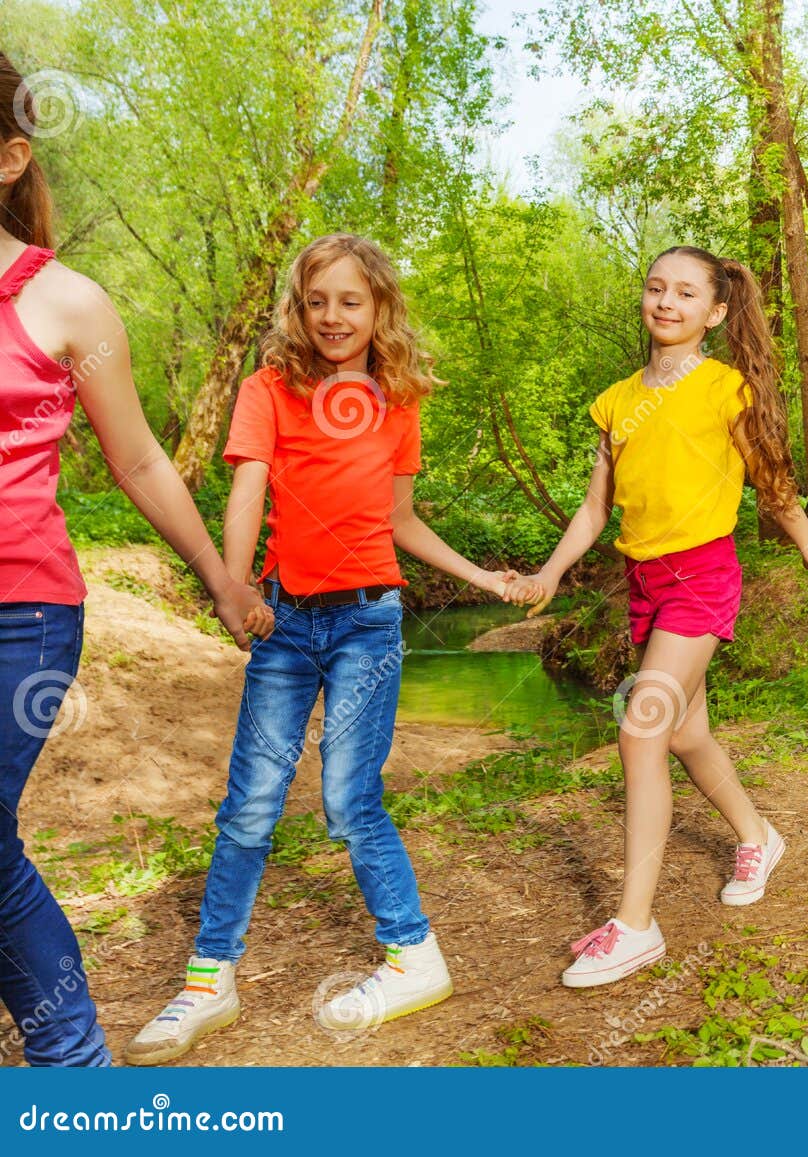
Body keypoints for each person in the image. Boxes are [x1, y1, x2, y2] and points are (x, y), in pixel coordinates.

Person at [127, 234, 519, 1063]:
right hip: (286, 622)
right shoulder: (269, 389)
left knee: (348, 797)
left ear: (379, 307)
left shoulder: (400, 399)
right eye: (318, 301)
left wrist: (480, 576)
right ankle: (209, 981)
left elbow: (400, 520)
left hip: (369, 621)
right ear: (298, 311)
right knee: (249, 806)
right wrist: (233, 587)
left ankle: (414, 957)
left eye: (351, 300)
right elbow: (247, 490)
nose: (334, 316)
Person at [1, 54, 269, 1067]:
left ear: (10, 156)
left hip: (19, 612)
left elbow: (142, 456)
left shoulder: (68, 303)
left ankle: (72, 1062)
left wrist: (220, 574)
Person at [510, 246, 808, 988]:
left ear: (715, 313)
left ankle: (635, 925)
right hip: (645, 582)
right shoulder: (617, 401)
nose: (667, 301)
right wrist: (549, 572)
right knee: (687, 731)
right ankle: (758, 835)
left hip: (703, 574)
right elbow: (596, 507)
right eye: (657, 288)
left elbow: (775, 482)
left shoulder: (727, 390)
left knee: (641, 726)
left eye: (686, 293)